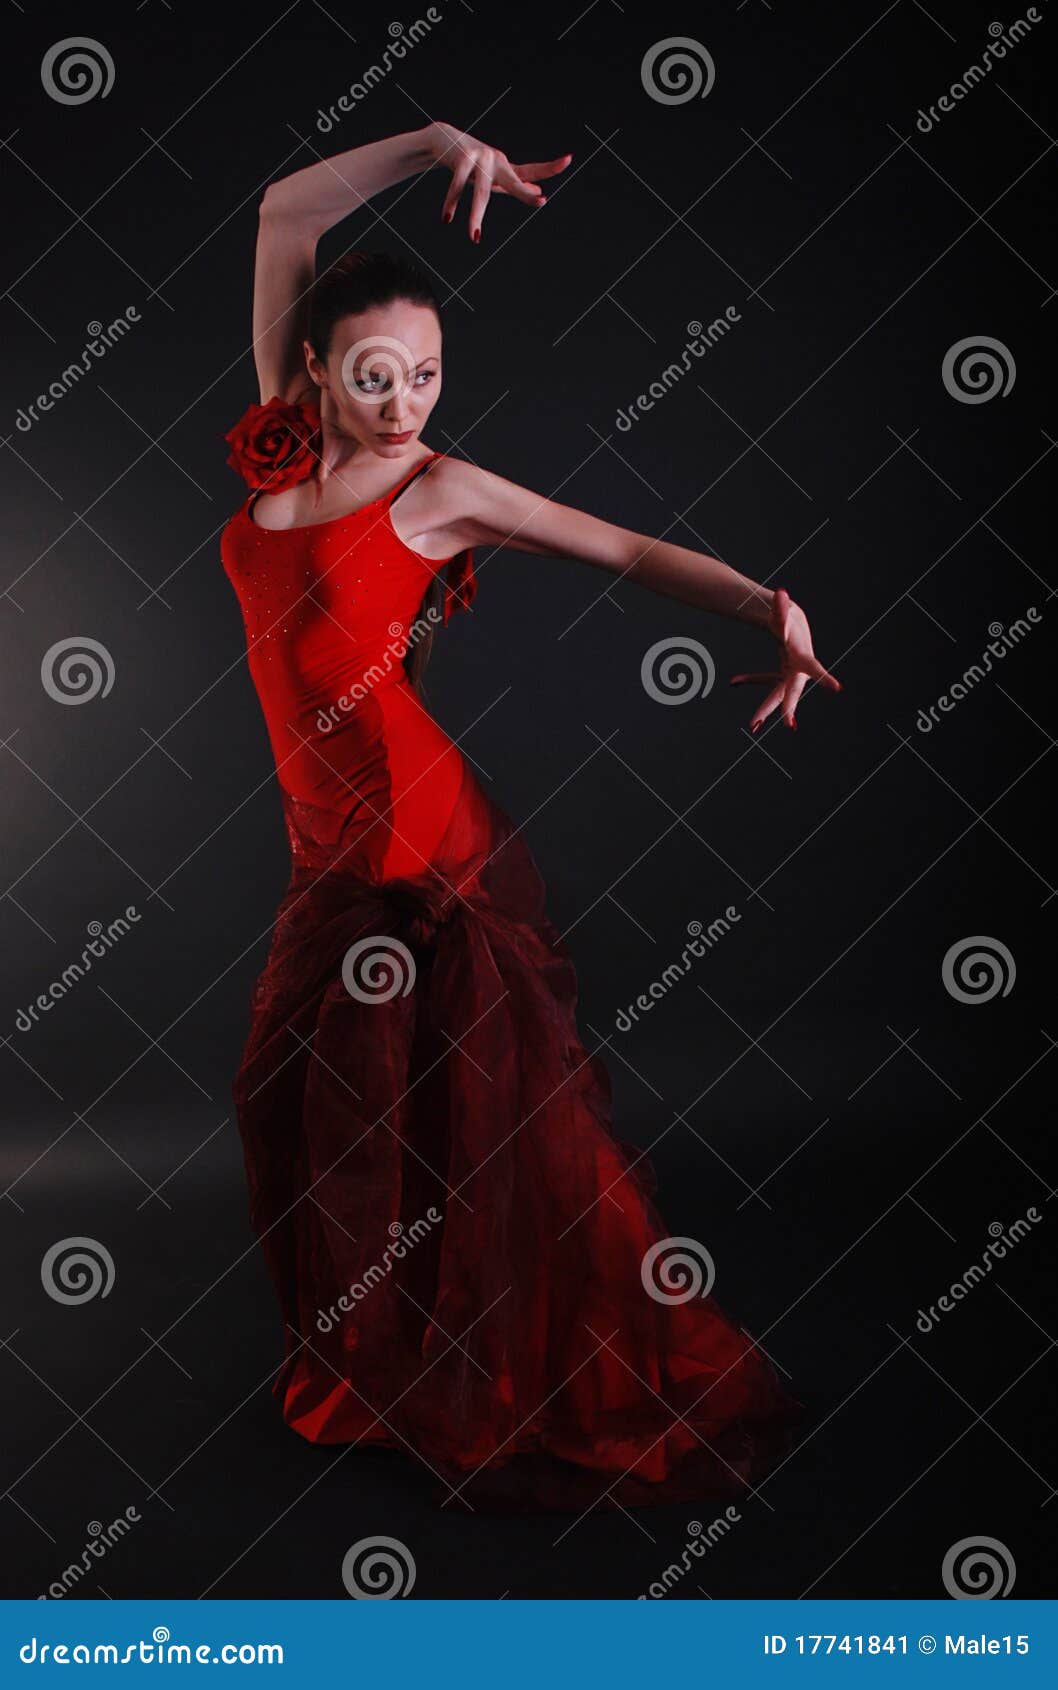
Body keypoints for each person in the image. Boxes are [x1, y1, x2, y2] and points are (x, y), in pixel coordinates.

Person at [219, 121, 839, 1514]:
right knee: (301, 1107)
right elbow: (286, 206)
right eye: (376, 373)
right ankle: (383, 1356)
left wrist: (766, 606)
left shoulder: (439, 488)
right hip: (328, 845)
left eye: (428, 373)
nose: (404, 398)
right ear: (317, 367)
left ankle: (443, 1370)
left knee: (443, 1117)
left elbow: (614, 543)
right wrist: (436, 140)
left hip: (417, 846)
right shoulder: (279, 445)